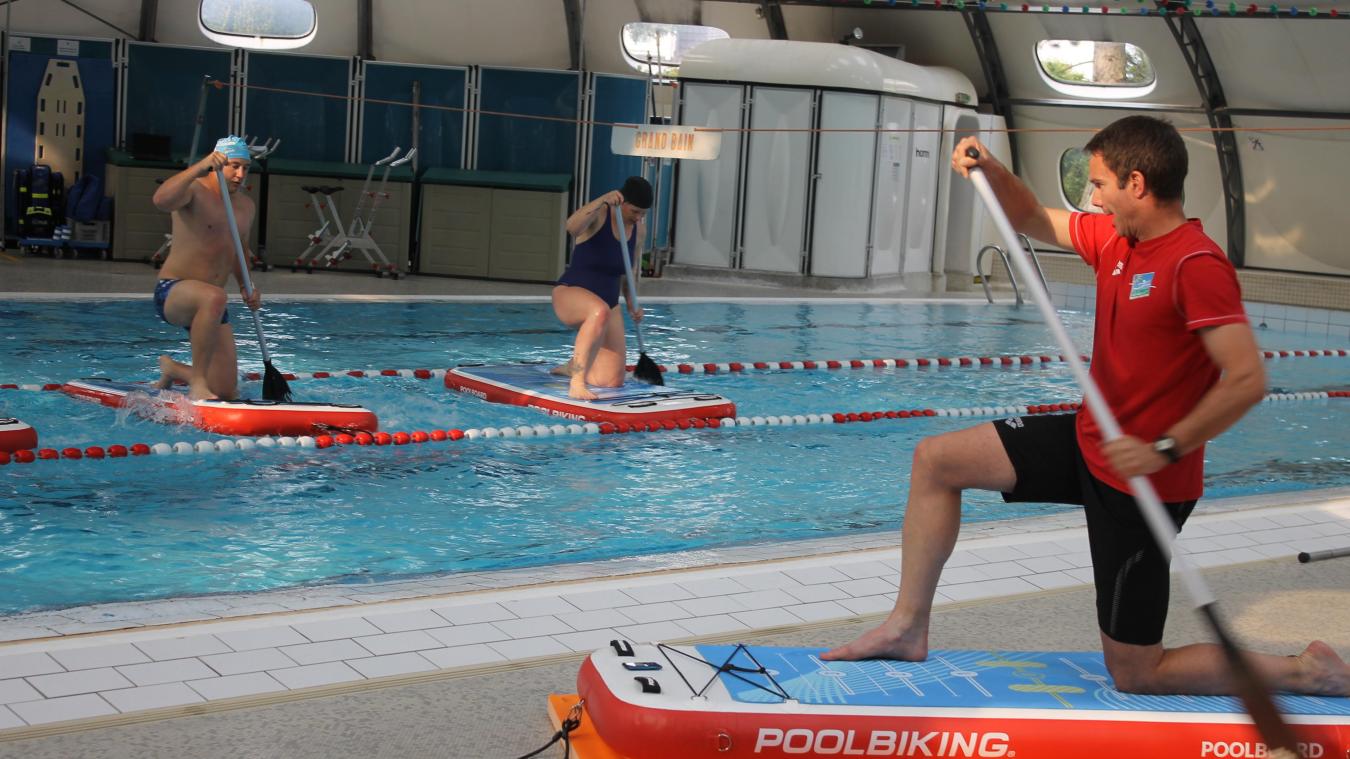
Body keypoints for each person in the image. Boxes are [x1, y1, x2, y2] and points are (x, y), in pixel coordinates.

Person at [823, 116, 1349, 698]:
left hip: (1146, 482)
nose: (1091, 198)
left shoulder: (1194, 265)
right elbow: (1029, 217)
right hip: (1089, 440)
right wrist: (992, 169)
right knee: (936, 459)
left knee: (1136, 673)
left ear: (1138, 184)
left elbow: (1246, 379)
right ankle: (907, 626)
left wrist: (1163, 448)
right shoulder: (1115, 241)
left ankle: (1307, 669)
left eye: (1099, 184)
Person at [150, 135, 261, 401]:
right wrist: (199, 166)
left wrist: (248, 286)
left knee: (225, 391)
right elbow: (160, 201)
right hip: (174, 292)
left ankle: (173, 368)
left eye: (245, 167)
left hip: (212, 305)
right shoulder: (194, 191)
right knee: (214, 296)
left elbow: (240, 248)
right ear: (217, 163)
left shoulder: (245, 206)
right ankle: (197, 382)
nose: (240, 174)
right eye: (234, 165)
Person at [551, 176, 652, 400]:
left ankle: (573, 365)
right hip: (571, 292)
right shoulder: (601, 214)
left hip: (609, 302)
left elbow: (628, 273)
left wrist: (633, 304)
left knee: (611, 382)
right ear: (621, 200)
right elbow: (571, 227)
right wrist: (601, 200)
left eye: (643, 214)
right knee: (598, 311)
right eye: (635, 211)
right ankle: (576, 381)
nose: (638, 218)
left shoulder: (639, 231)